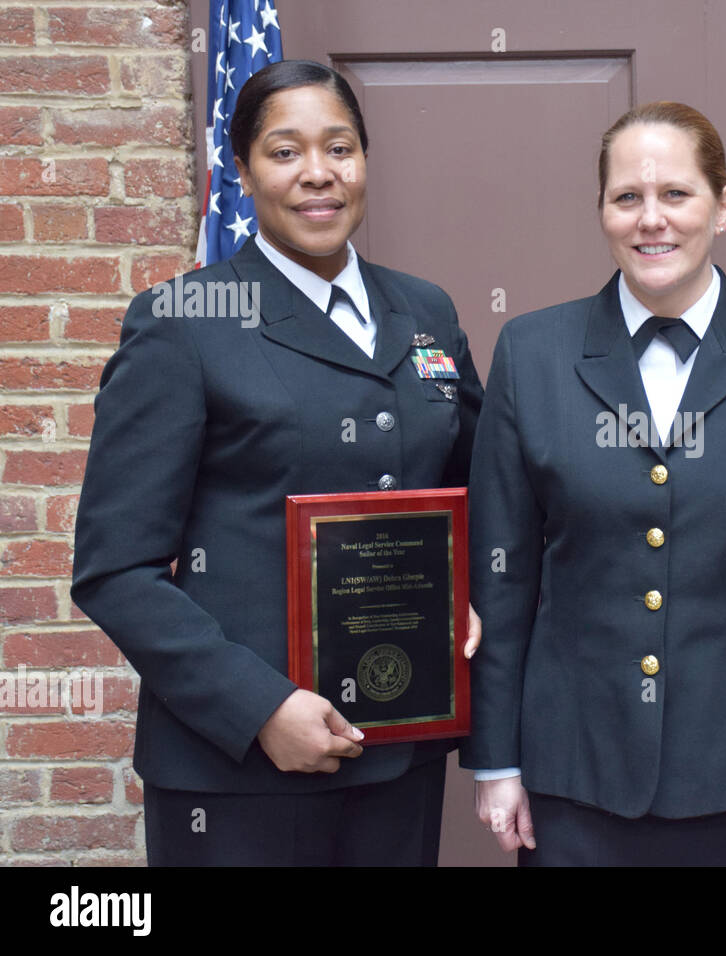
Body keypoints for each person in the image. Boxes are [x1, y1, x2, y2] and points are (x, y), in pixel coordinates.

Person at [71, 60, 483, 865]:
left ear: (366, 158)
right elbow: (113, 569)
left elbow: (477, 482)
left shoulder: (425, 308)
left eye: (339, 147)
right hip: (240, 773)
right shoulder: (185, 319)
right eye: (285, 152)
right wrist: (258, 707)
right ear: (244, 170)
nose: (318, 174)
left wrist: (469, 590)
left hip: (398, 745)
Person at [462, 102, 726, 865]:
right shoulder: (533, 352)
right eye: (627, 198)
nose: (651, 220)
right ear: (602, 212)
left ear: (723, 204)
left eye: (676, 195)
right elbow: (502, 573)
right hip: (576, 770)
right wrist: (497, 758)